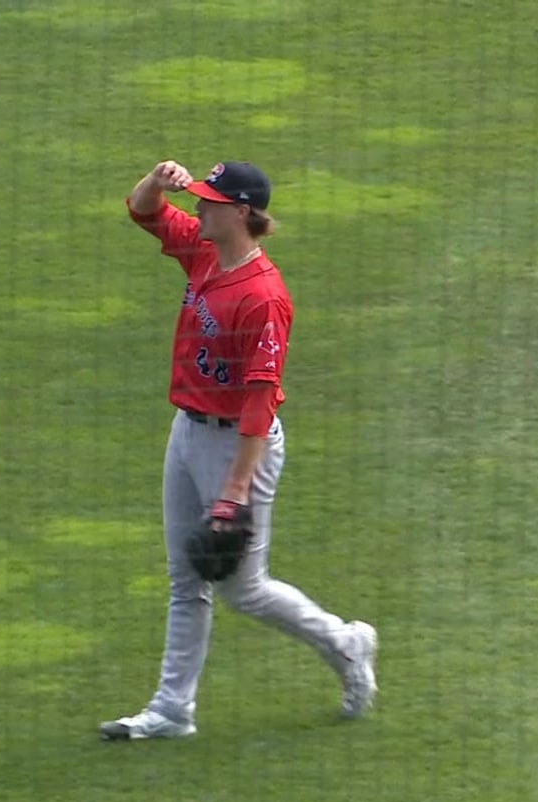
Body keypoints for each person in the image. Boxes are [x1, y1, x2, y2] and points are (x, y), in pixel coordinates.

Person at [99, 159, 379, 741]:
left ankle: (347, 644)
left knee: (243, 588)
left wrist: (234, 490)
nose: (197, 207)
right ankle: (173, 709)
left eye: (209, 201)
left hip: (238, 445)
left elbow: (260, 399)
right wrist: (156, 179)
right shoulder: (204, 252)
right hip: (188, 431)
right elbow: (143, 212)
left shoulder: (264, 298)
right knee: (185, 578)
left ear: (242, 212)